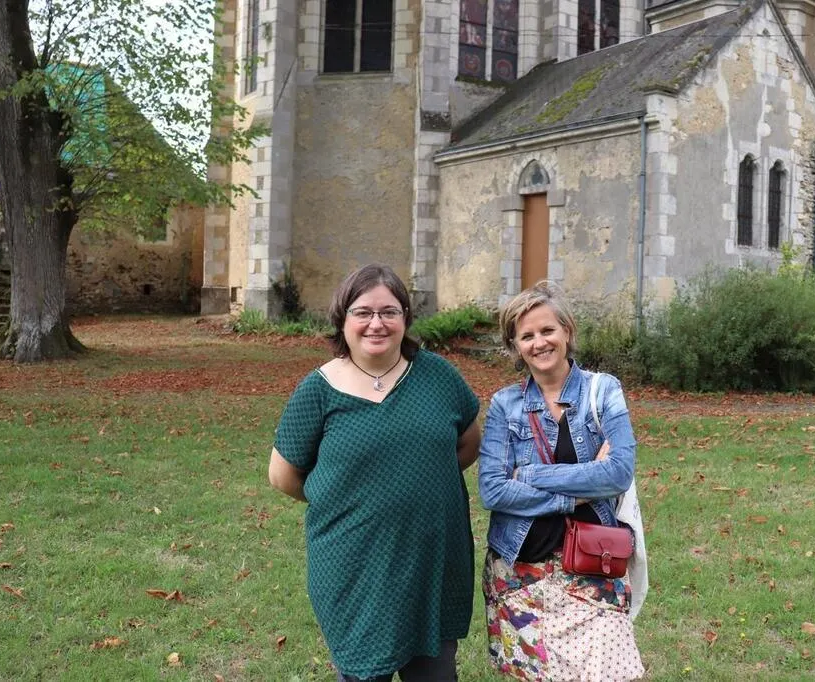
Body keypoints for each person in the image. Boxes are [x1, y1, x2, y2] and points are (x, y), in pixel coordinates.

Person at [268, 263, 482, 682]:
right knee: (364, 672)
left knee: (435, 673)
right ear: (342, 318)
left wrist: (423, 478)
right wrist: (346, 499)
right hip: (354, 564)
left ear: (405, 317)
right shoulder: (317, 390)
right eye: (363, 312)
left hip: (431, 559)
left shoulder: (437, 376)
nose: (376, 323)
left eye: (389, 311)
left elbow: (469, 441)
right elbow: (282, 476)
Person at [478, 282, 645, 681]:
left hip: (593, 565)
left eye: (547, 330)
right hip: (519, 571)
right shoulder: (506, 404)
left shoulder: (603, 390)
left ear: (567, 331)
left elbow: (619, 471)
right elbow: (493, 489)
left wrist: (534, 476)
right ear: (516, 346)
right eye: (527, 335)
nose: (540, 342)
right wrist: (576, 498)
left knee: (613, 672)